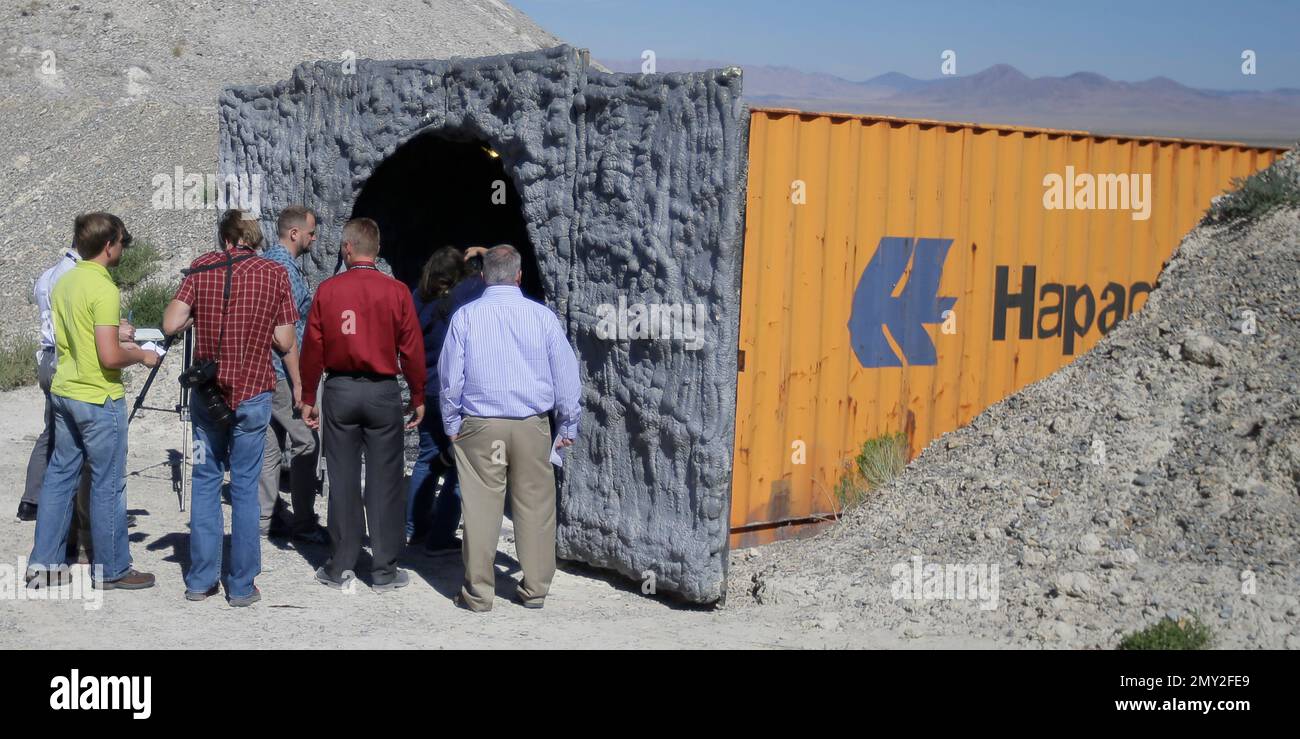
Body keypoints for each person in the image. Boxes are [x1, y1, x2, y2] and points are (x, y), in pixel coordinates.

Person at [163, 209, 300, 607]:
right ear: (253, 240)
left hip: (208, 396)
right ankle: (241, 586)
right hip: (254, 393)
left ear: (225, 238)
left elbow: (171, 323)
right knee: (243, 487)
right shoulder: (274, 273)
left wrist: (196, 317)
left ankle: (200, 580)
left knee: (205, 480)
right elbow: (286, 340)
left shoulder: (202, 266)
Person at [438, 244, 581, 612]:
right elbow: (566, 376)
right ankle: (534, 589)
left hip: (482, 426)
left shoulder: (466, 316)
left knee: (481, 506)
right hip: (532, 426)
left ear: (483, 275)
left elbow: (451, 378)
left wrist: (451, 422)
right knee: (535, 506)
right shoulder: (543, 317)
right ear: (519, 275)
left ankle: (478, 593)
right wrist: (567, 423)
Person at [26, 213, 159, 591]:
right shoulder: (104, 289)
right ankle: (113, 568)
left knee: (59, 477)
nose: (123, 248)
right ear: (109, 245)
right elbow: (109, 357)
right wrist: (141, 355)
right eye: (121, 242)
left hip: (65, 390)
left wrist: (115, 335)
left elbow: (81, 333)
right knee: (107, 484)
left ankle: (45, 564)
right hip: (98, 396)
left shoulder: (64, 281)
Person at [300, 218, 425, 592]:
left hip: (339, 389)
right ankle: (384, 570)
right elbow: (412, 351)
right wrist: (417, 395)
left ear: (348, 248)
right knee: (385, 482)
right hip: (383, 392)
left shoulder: (328, 290)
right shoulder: (398, 291)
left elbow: (312, 350)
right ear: (377, 250)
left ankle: (341, 565)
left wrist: (308, 397)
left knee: (343, 478)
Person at [405, 246, 487, 552]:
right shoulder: (466, 293)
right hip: (456, 393)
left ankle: (413, 528)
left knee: (427, 458)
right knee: (460, 465)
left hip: (427, 389)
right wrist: (483, 251)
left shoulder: (417, 297)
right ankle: (440, 537)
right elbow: (503, 269)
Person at [258, 205, 328, 545]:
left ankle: (263, 518)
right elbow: (284, 335)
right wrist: (300, 383)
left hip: (264, 372)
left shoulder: (265, 264)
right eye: (312, 232)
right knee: (306, 443)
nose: (315, 239)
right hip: (282, 374)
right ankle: (303, 522)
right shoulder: (284, 270)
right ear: (295, 233)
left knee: (270, 447)